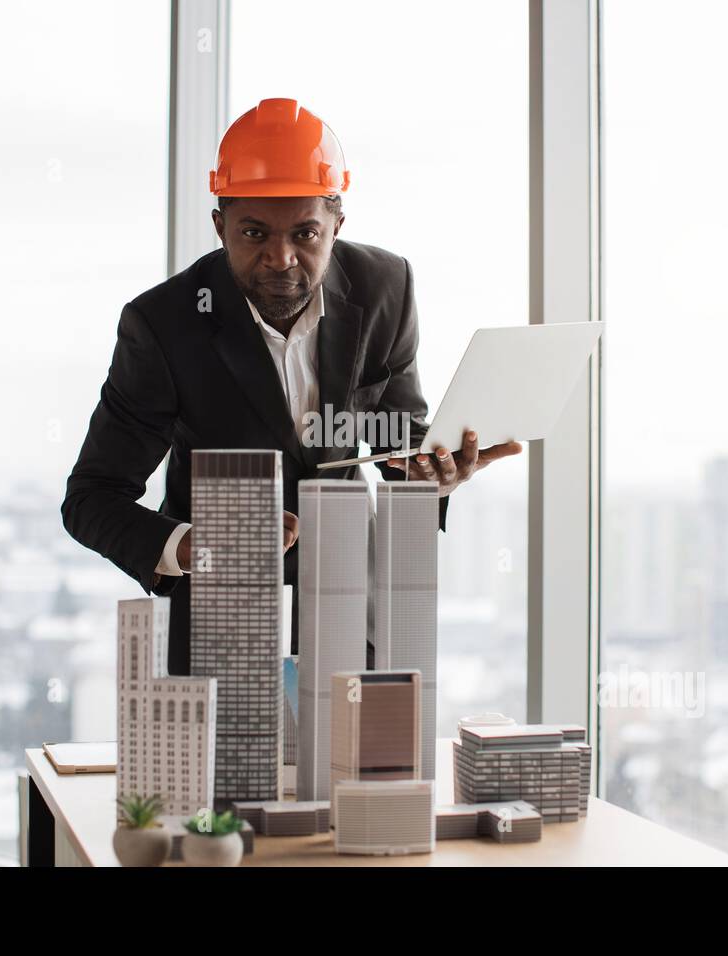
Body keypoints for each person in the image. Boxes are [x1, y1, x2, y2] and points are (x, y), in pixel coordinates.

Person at [62, 98, 520, 673]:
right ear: (219, 225)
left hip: (349, 604)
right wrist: (194, 549)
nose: (281, 259)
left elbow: (395, 436)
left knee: (357, 763)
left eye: (306, 233)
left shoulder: (385, 288)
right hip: (221, 624)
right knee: (228, 767)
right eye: (254, 232)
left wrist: (433, 470)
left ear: (336, 225)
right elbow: (90, 498)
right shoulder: (164, 324)